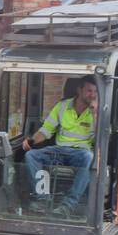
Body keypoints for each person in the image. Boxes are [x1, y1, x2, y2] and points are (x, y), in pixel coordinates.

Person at [19, 79, 97, 216]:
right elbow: (46, 130)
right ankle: (42, 200)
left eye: (95, 91)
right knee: (31, 155)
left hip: (81, 154)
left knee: (89, 157)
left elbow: (103, 137)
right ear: (80, 90)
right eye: (89, 91)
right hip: (59, 150)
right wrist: (31, 141)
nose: (93, 95)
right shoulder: (62, 106)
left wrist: (96, 114)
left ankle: (68, 205)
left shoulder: (98, 111)